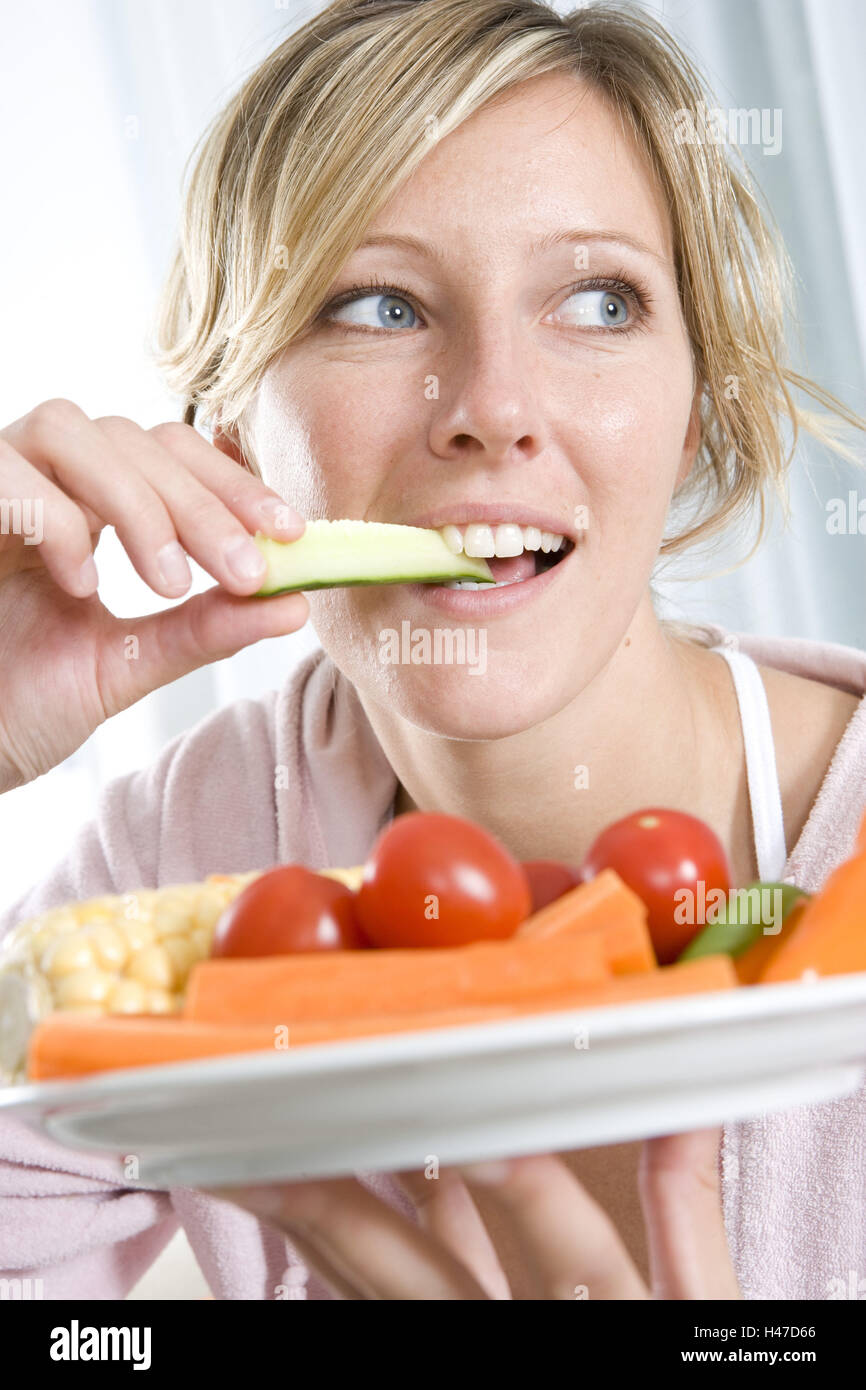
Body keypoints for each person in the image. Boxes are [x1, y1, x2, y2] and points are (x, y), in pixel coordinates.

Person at [1, 0, 865, 1300]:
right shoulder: (178, 851)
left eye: (595, 297)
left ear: (696, 407)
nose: (491, 408)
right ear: (230, 432)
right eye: (378, 306)